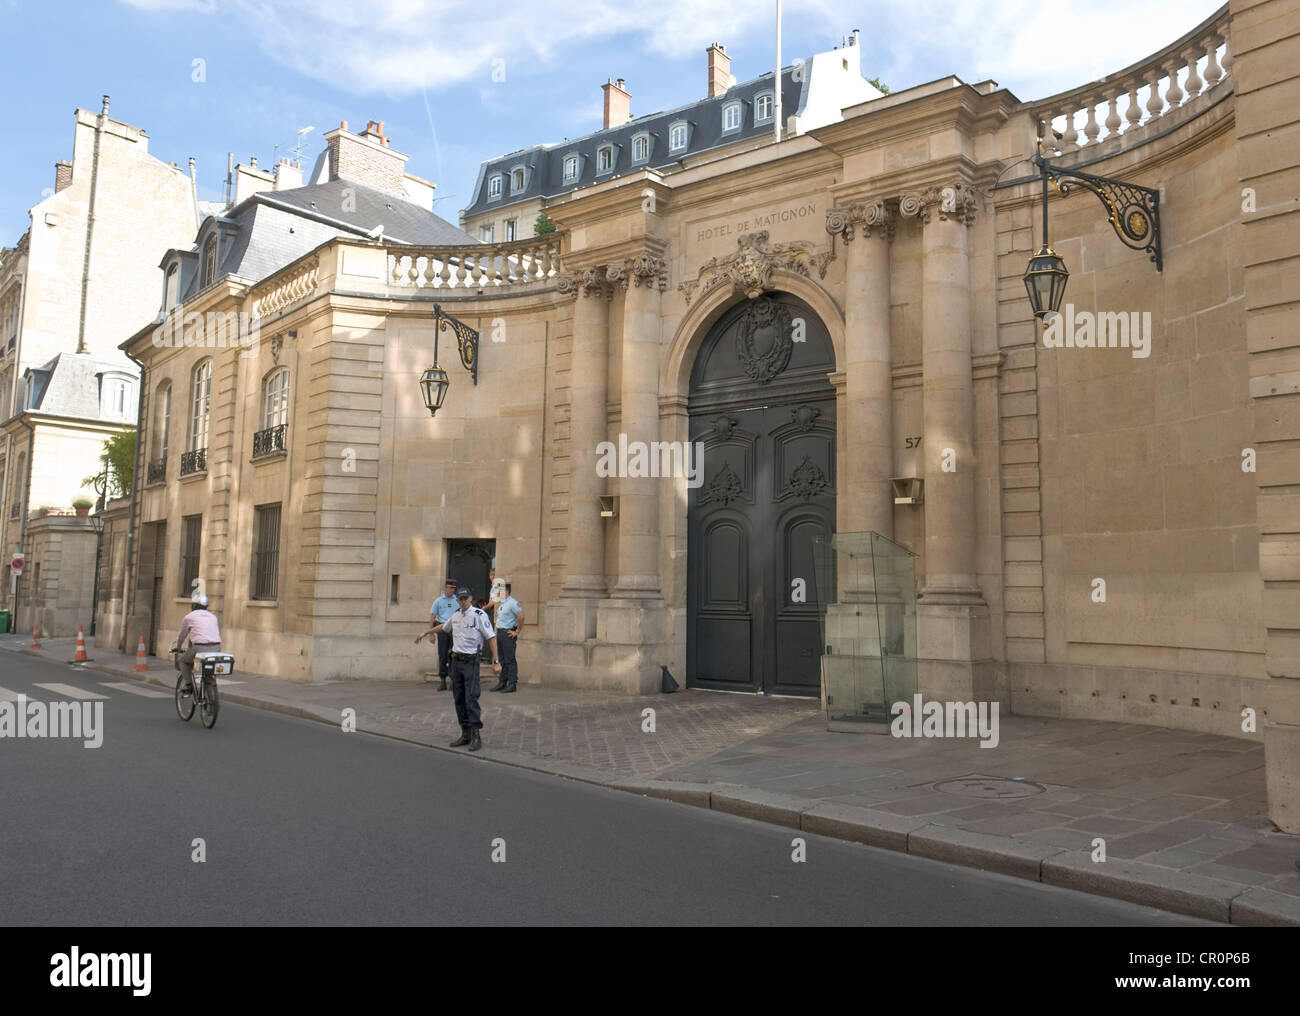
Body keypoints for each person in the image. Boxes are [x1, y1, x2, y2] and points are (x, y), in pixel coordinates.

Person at [415, 587, 500, 751]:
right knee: (459, 698)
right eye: (460, 599)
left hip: (471, 662)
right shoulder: (455, 615)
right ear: (457, 600)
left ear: (470, 598)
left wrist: (496, 661)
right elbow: (443, 627)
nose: (463, 601)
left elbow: (491, 637)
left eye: (465, 598)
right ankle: (465, 733)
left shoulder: (479, 615)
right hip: (456, 661)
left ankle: (476, 735)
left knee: (471, 698)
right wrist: (426, 632)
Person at [170, 591, 222, 692]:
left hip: (199, 648)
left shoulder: (189, 617)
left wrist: (178, 647)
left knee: (183, 662)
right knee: (210, 668)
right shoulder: (213, 617)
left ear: (194, 605)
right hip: (216, 647)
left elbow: (182, 635)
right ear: (206, 606)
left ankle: (188, 685)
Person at [490, 582, 524, 693]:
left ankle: (512, 683)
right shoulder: (503, 603)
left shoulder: (513, 603)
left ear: (506, 591)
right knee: (502, 659)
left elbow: (521, 616)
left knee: (510, 659)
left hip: (508, 634)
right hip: (500, 633)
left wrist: (517, 631)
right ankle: (502, 682)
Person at [428, 578, 460, 691]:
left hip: (454, 630)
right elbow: (432, 617)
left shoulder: (457, 600)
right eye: (450, 588)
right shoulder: (438, 601)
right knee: (442, 655)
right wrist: (431, 633)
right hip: (441, 629)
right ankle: (442, 680)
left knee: (454, 655)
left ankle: (452, 680)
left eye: (453, 589)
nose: (452, 590)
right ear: (445, 588)